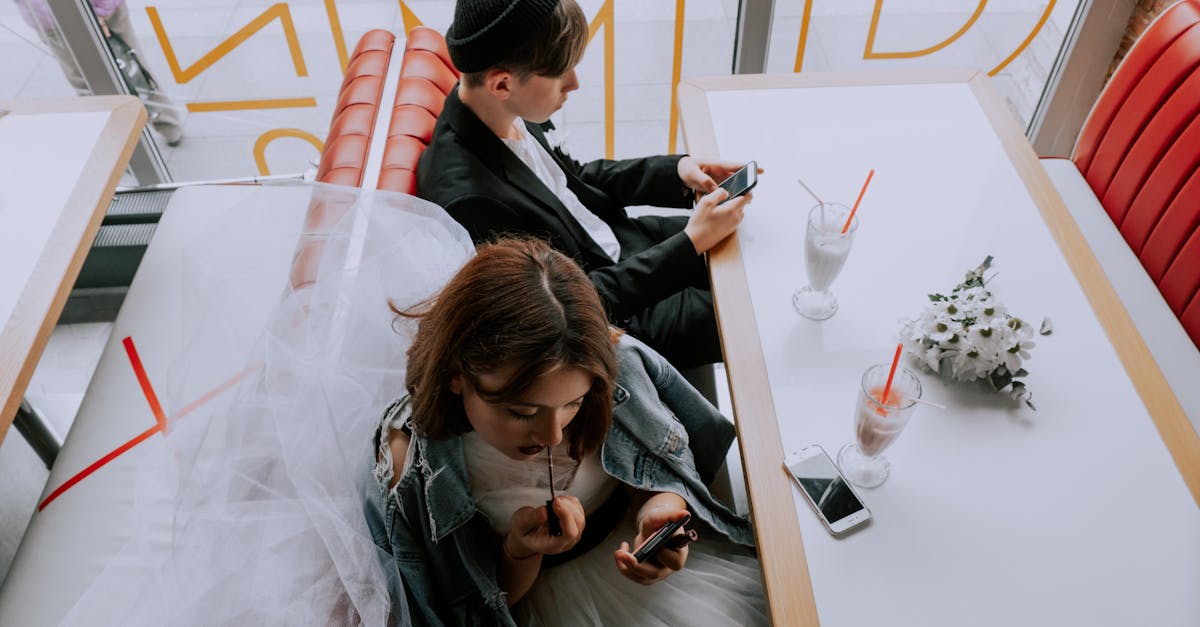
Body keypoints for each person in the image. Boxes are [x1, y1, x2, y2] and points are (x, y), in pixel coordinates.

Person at [364, 236, 768, 626]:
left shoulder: (615, 365)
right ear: (456, 375)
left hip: (679, 585)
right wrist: (520, 553)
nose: (554, 437)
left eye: (574, 404)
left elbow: (659, 468)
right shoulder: (413, 466)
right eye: (523, 412)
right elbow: (469, 610)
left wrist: (658, 508)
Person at [417, 0, 758, 369]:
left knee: (754, 242)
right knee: (756, 308)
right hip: (622, 314)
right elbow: (562, 305)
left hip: (626, 243)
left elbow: (571, 179)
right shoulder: (470, 201)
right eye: (561, 74)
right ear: (502, 83)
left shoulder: (492, 107)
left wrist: (676, 171)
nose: (575, 83)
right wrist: (689, 244)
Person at [14, 0, 184, 145]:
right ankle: (160, 126)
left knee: (117, 71)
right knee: (124, 67)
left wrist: (95, 14)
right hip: (54, 19)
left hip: (77, 14)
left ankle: (153, 128)